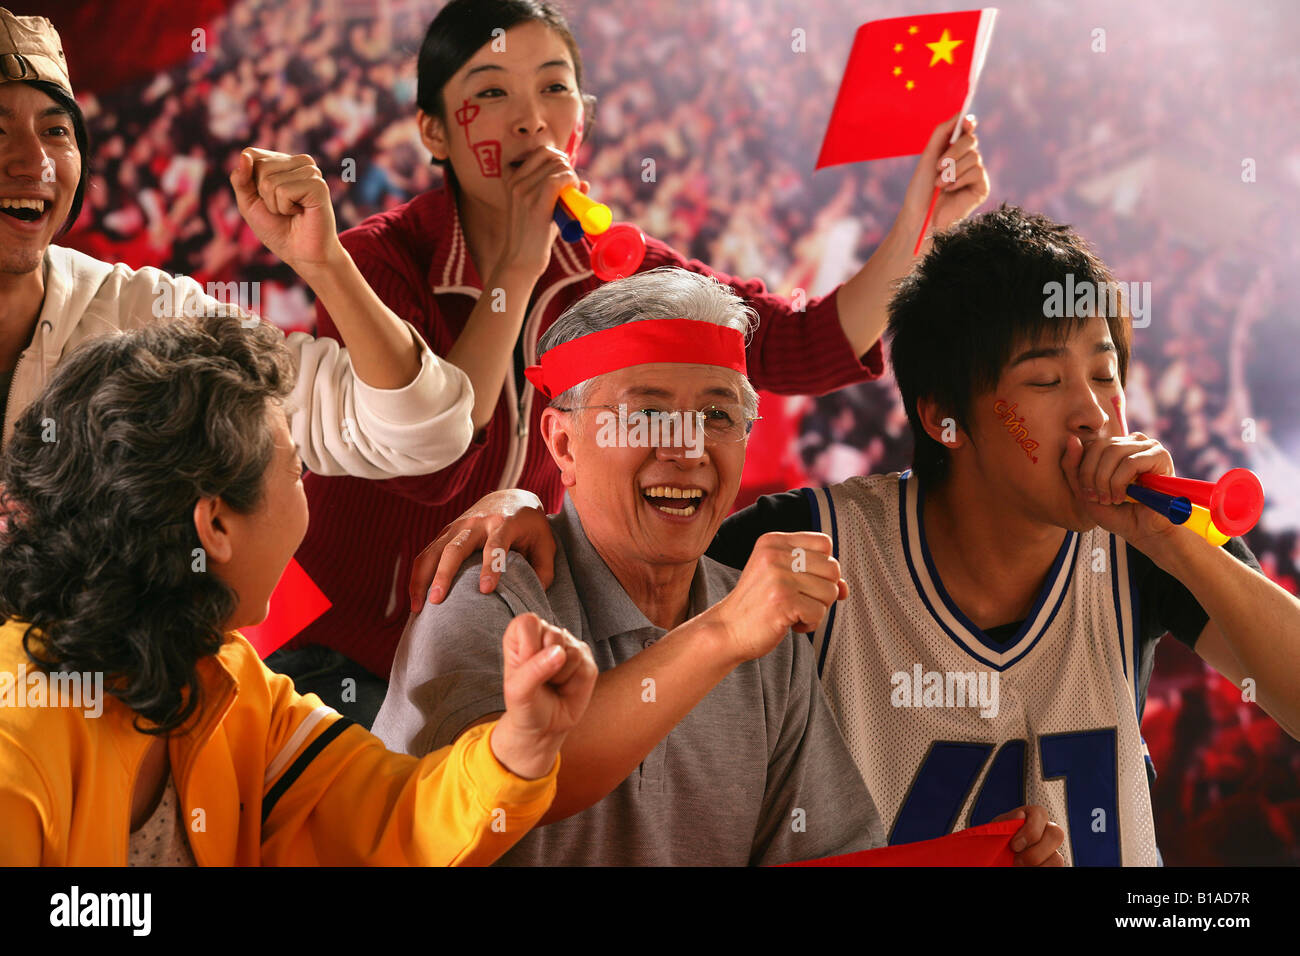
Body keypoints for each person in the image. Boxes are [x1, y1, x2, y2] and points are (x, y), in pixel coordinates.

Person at [412, 207, 1300, 865]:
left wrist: (1187, 543)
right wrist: (526, 508)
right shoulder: (804, 545)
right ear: (944, 416)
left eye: (1106, 375)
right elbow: (640, 539)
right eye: (1046, 379)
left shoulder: (1148, 550)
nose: (1095, 414)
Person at [282, 0, 991, 722]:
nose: (531, 118)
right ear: (434, 128)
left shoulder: (616, 267)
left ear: (582, 119)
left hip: (502, 655)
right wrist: (521, 267)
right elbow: (431, 466)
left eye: (555, 88)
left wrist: (924, 223)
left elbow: (799, 344)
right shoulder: (375, 259)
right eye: (492, 91)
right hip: (340, 660)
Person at [373, 268, 1064, 865]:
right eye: (646, 415)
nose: (690, 448)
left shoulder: (762, 638)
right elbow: (470, 812)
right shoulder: (488, 589)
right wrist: (722, 634)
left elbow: (824, 859)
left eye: (718, 415)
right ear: (562, 442)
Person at [0, 313, 597, 866]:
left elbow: (396, 820)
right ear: (215, 526)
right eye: (294, 468)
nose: (306, 494)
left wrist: (518, 744)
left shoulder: (227, 677)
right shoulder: (16, 733)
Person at [0, 9, 474, 477]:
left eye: (55, 131)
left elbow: (419, 432)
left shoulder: (142, 318)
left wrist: (326, 263)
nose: (35, 161)